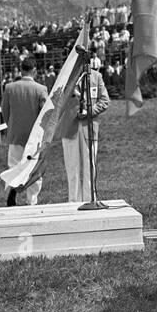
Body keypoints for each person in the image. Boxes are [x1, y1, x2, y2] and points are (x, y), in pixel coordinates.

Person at [62, 51, 109, 203]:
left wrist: (89, 111)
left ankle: (90, 200)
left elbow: (104, 101)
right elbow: (57, 103)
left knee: (90, 167)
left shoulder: (96, 77)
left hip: (90, 128)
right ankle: (73, 201)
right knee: (72, 168)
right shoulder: (65, 78)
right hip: (70, 129)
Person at [2, 56, 49, 204]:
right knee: (34, 169)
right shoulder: (41, 89)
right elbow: (45, 114)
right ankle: (32, 200)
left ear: (21, 70)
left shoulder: (9, 88)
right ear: (34, 70)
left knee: (14, 166)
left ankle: (12, 190)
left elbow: (5, 111)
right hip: (33, 137)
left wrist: (11, 126)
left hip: (15, 134)